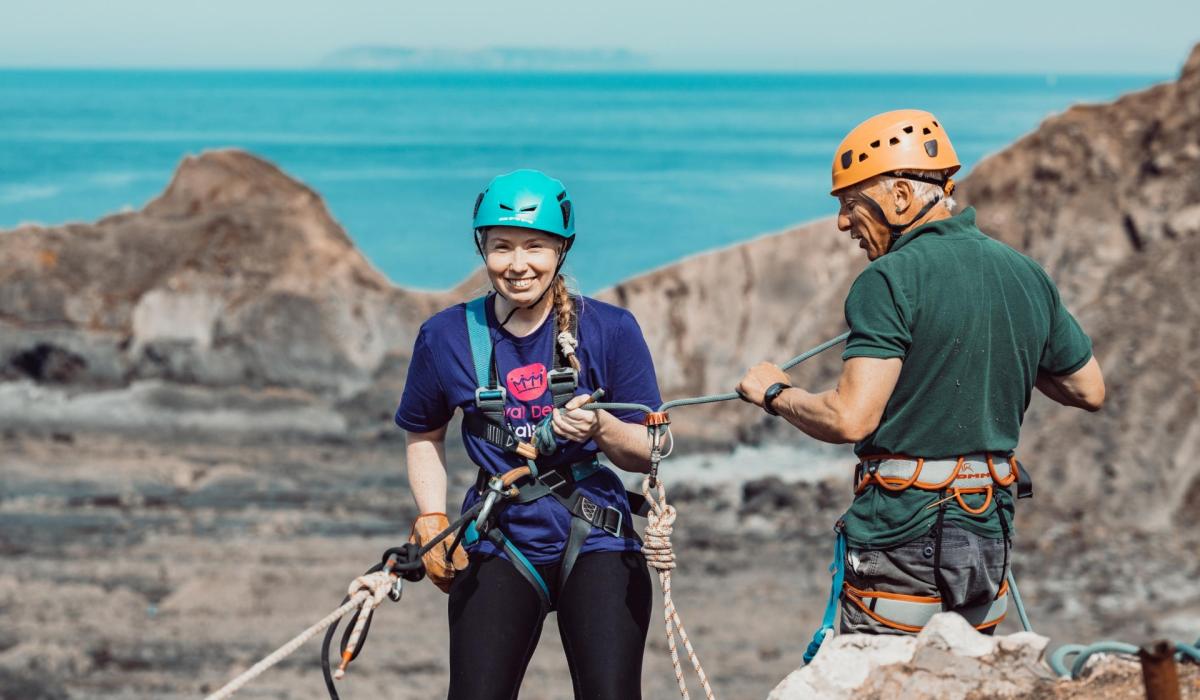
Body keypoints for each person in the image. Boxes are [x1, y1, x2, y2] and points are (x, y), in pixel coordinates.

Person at [737, 110, 1106, 638]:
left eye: (850, 205)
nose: (843, 223)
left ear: (902, 197)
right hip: (987, 534)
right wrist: (1009, 342)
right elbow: (1088, 388)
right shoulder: (1026, 275)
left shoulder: (888, 279)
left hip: (903, 538)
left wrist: (774, 392)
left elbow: (850, 419)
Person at [395, 169, 661, 699]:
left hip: (598, 537)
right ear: (482, 249)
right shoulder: (445, 336)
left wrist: (603, 426)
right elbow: (423, 435)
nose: (518, 265)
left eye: (535, 246)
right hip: (498, 539)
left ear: (562, 249)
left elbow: (648, 452)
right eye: (501, 248)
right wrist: (431, 517)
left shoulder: (610, 330)